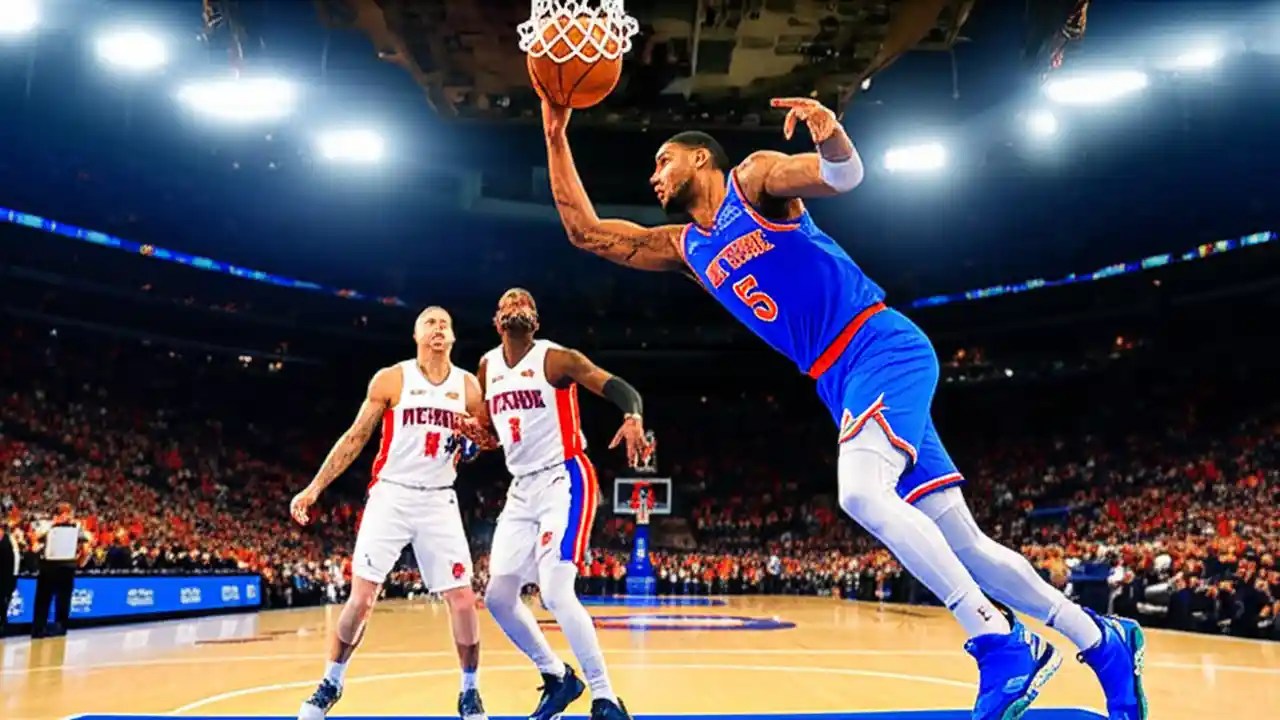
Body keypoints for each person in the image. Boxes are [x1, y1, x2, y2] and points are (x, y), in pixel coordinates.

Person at [537, 96, 1147, 720]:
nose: (654, 175)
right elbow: (587, 233)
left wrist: (832, 137)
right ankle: (1103, 642)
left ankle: (997, 638)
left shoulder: (753, 181)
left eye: (663, 161)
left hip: (878, 345)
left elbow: (842, 176)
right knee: (966, 545)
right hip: (839, 380)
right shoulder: (685, 245)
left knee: (858, 493)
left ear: (701, 158)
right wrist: (556, 132)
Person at [459, 288, 650, 720]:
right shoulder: (488, 366)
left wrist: (633, 414)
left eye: (524, 302)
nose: (516, 305)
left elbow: (617, 386)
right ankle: (557, 676)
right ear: (496, 320)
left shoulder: (556, 359)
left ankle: (605, 698)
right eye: (508, 302)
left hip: (565, 476)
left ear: (536, 321)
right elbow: (492, 433)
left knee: (556, 590)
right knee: (499, 596)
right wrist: (472, 439)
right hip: (521, 487)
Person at [290, 306, 488, 720]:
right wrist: (314, 487)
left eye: (446, 324)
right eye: (430, 323)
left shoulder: (468, 385)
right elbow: (356, 436)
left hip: (438, 497)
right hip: (391, 494)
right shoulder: (392, 378)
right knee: (361, 599)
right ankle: (331, 680)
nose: (438, 328)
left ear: (452, 338)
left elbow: (488, 440)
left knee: (465, 600)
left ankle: (470, 691)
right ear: (416, 334)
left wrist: (475, 442)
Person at [31, 502, 85, 639]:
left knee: (64, 599)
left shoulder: (76, 526)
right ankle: (39, 628)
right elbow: (35, 537)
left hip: (67, 565)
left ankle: (61, 626)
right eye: (65, 513)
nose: (67, 517)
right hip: (49, 565)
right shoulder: (46, 525)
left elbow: (85, 540)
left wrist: (80, 557)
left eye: (69, 513)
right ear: (58, 514)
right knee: (43, 599)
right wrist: (53, 525)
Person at [1, 516, 19, 636]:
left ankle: (2, 625)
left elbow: (16, 558)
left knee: (3, 601)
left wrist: (14, 577)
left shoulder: (10, 540)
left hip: (6, 576)